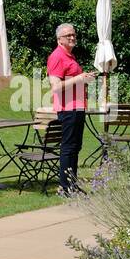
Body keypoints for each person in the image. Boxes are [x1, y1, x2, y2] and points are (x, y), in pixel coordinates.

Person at [47, 23, 97, 198]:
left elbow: (73, 81)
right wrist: (79, 78)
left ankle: (73, 184)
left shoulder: (70, 56)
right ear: (59, 39)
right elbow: (55, 87)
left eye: (74, 34)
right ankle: (65, 187)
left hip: (77, 107)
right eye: (68, 35)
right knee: (68, 148)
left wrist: (84, 79)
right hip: (68, 109)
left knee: (76, 147)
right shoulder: (57, 57)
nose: (72, 37)